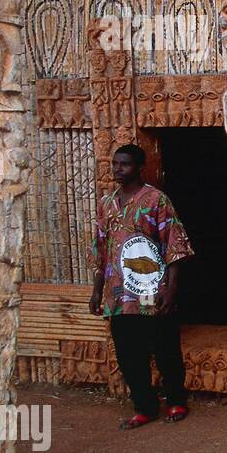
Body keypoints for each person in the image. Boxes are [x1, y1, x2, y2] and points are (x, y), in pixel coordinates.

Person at [89, 143, 195, 429]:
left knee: (163, 345)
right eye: (115, 164)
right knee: (128, 352)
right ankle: (144, 406)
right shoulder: (106, 203)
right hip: (118, 295)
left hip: (149, 292)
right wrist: (97, 290)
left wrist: (171, 290)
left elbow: (174, 247)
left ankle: (175, 400)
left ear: (139, 168)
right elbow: (101, 249)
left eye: (124, 164)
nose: (118, 169)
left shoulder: (155, 200)